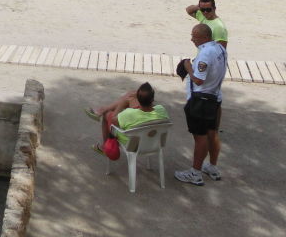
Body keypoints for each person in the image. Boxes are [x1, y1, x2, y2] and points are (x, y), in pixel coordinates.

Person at [175, 23, 227, 186]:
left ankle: (195, 173)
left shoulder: (205, 54)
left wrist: (188, 67)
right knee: (213, 133)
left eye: (194, 37)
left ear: (204, 37)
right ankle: (212, 166)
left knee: (200, 138)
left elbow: (198, 79)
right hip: (215, 97)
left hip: (200, 101)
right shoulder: (220, 49)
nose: (192, 40)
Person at [86, 82, 169, 155]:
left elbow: (113, 123)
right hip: (154, 142)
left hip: (132, 144)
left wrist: (122, 104)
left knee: (107, 115)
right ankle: (102, 110)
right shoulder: (161, 110)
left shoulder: (129, 113)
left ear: (139, 100)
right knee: (130, 96)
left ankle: (104, 147)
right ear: (153, 99)